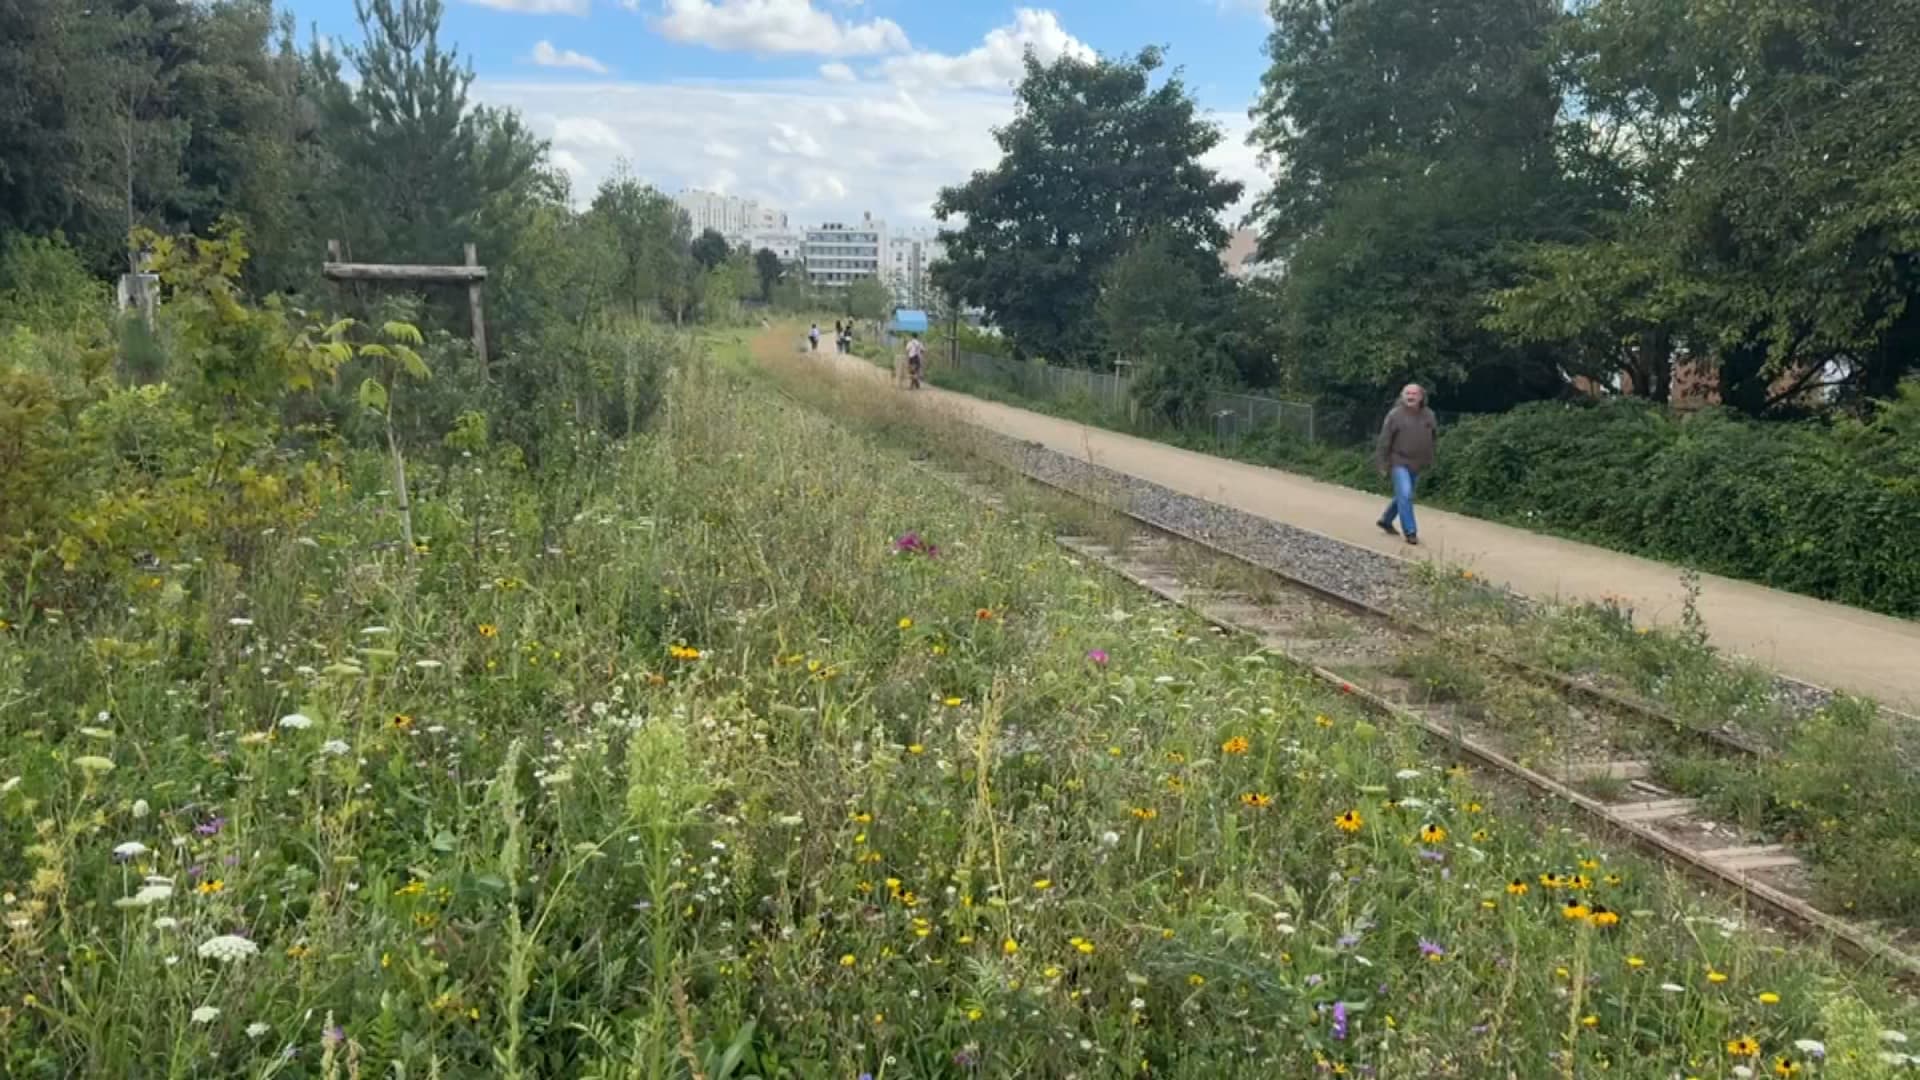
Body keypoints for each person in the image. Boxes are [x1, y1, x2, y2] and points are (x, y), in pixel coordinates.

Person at [1375, 383, 1436, 546]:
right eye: (1407, 393)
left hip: (1417, 463)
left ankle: (1386, 520)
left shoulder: (1429, 415)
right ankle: (1411, 531)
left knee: (1403, 496)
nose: (1410, 396)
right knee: (1406, 494)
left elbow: (1432, 438)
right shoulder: (1395, 415)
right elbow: (1384, 441)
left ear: (1421, 397)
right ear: (1402, 396)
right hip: (1399, 461)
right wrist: (1382, 464)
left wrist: (1430, 459)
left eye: (1414, 394)